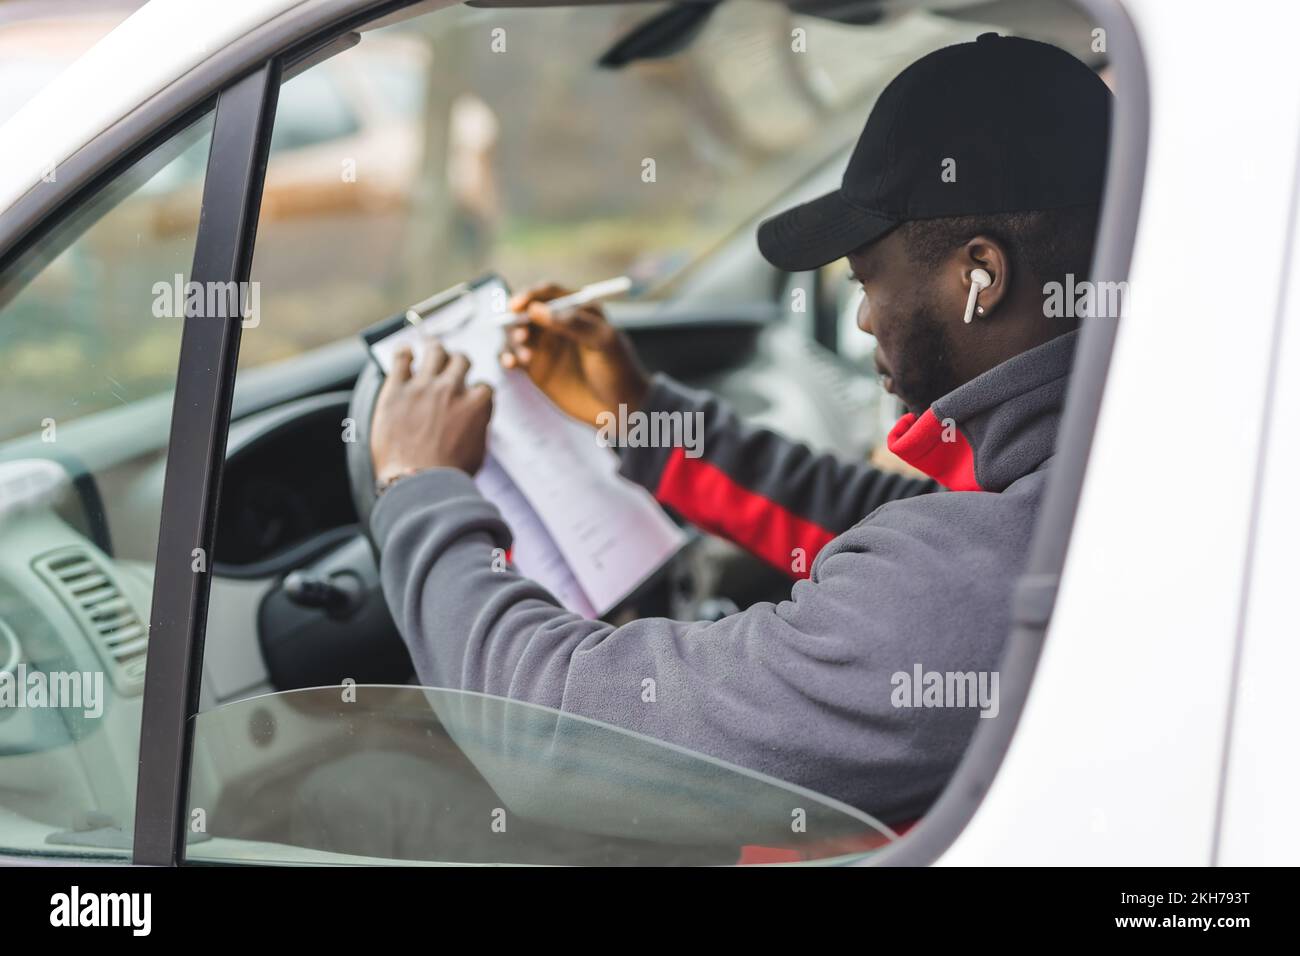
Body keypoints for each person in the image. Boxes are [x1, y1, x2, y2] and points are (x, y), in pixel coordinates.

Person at [366, 33, 1111, 824]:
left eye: (866, 282)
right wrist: (645, 421)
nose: (861, 319)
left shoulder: (972, 585)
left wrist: (420, 490)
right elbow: (885, 525)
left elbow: (555, 731)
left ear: (980, 276)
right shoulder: (1084, 456)